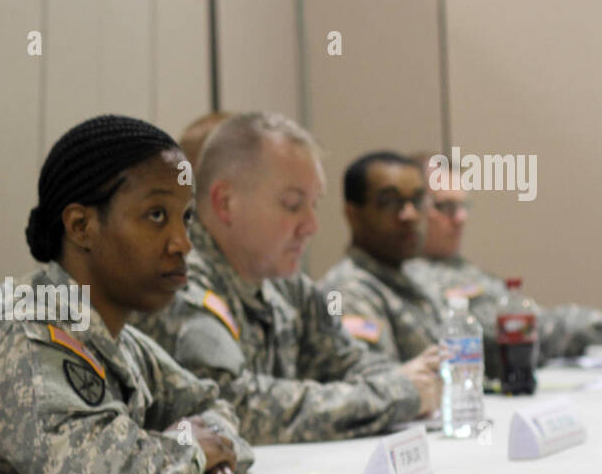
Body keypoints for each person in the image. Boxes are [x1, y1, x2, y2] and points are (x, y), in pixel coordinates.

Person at [0, 115, 255, 474]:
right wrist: (191, 450)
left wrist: (201, 450)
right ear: (80, 226)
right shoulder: (19, 333)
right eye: (157, 215)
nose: (182, 243)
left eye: (187, 218)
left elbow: (218, 410)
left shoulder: (119, 340)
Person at [136, 114, 439, 444]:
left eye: (314, 205)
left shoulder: (284, 283)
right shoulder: (178, 282)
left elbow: (347, 363)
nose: (311, 226)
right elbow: (236, 409)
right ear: (225, 202)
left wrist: (416, 381)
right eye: (293, 204)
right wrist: (396, 394)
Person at [405, 151, 602, 373]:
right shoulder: (413, 277)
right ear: (413, 208)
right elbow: (526, 331)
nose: (460, 218)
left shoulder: (458, 269)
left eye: (463, 206)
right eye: (445, 207)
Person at [321, 151, 446, 363]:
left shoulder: (418, 274)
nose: (410, 214)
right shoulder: (345, 291)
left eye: (417, 200)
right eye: (389, 202)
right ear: (353, 215)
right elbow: (375, 383)